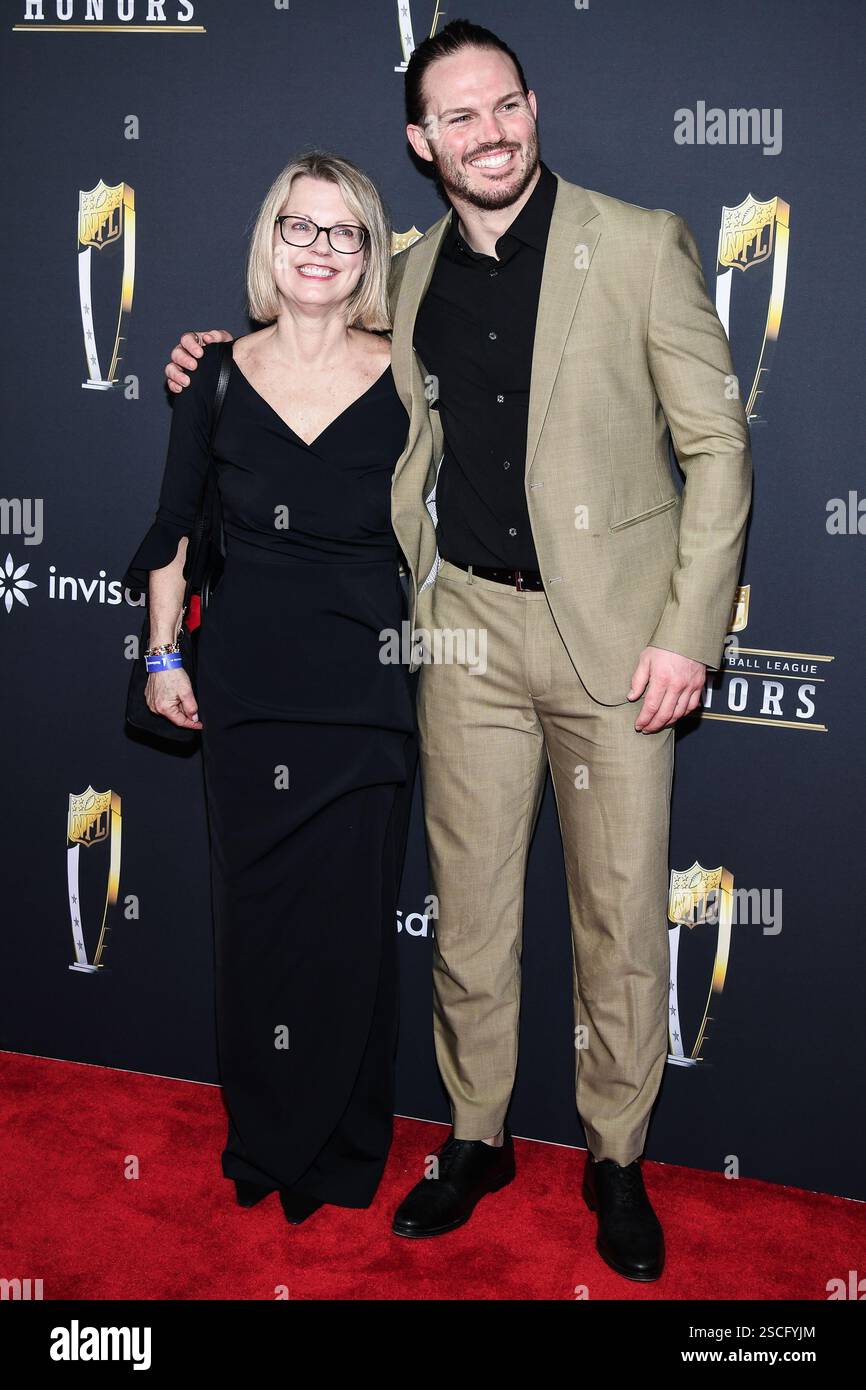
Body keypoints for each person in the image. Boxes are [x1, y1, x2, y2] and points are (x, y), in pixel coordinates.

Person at [163, 21, 752, 1280]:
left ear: (530, 109)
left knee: (615, 917)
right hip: (461, 633)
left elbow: (716, 448)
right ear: (423, 144)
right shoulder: (411, 272)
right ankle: (474, 1137)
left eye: (505, 107)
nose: (488, 134)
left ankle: (614, 1157)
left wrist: (687, 635)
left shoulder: (635, 243)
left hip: (615, 643)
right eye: (457, 118)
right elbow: (301, 345)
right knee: (471, 921)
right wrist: (204, 356)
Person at [123, 152, 436, 1224]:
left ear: (368, 255)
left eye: (343, 232)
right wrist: (163, 654)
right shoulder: (211, 372)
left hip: (368, 688)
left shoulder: (406, 370)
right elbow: (172, 527)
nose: (318, 249)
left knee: (350, 925)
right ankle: (263, 1137)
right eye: (298, 227)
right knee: (254, 925)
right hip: (249, 686)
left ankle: (344, 1146)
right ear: (269, 241)